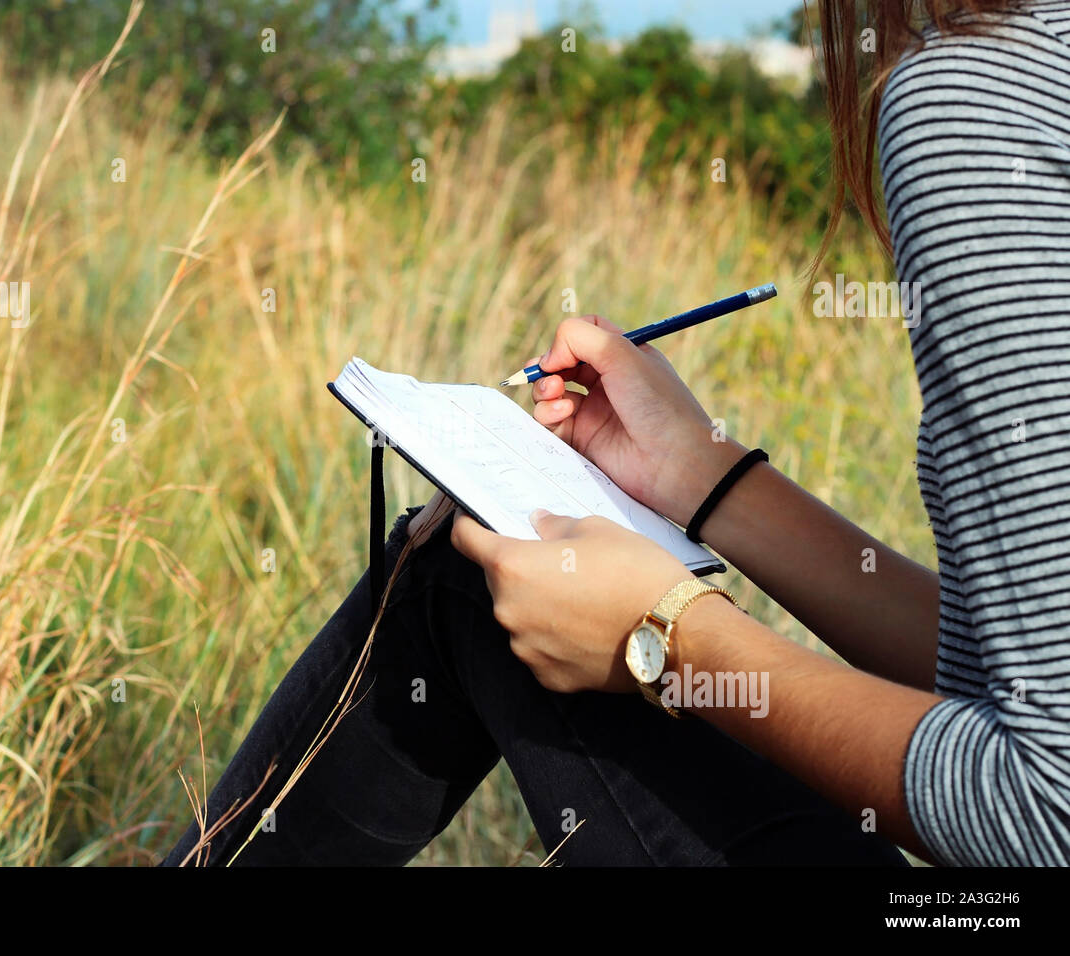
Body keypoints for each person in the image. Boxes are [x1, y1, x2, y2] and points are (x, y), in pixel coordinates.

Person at [161, 0, 1070, 866]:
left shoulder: (980, 93)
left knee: (474, 570)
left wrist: (669, 640)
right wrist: (703, 479)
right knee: (476, 562)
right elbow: (1018, 675)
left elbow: (1041, 806)